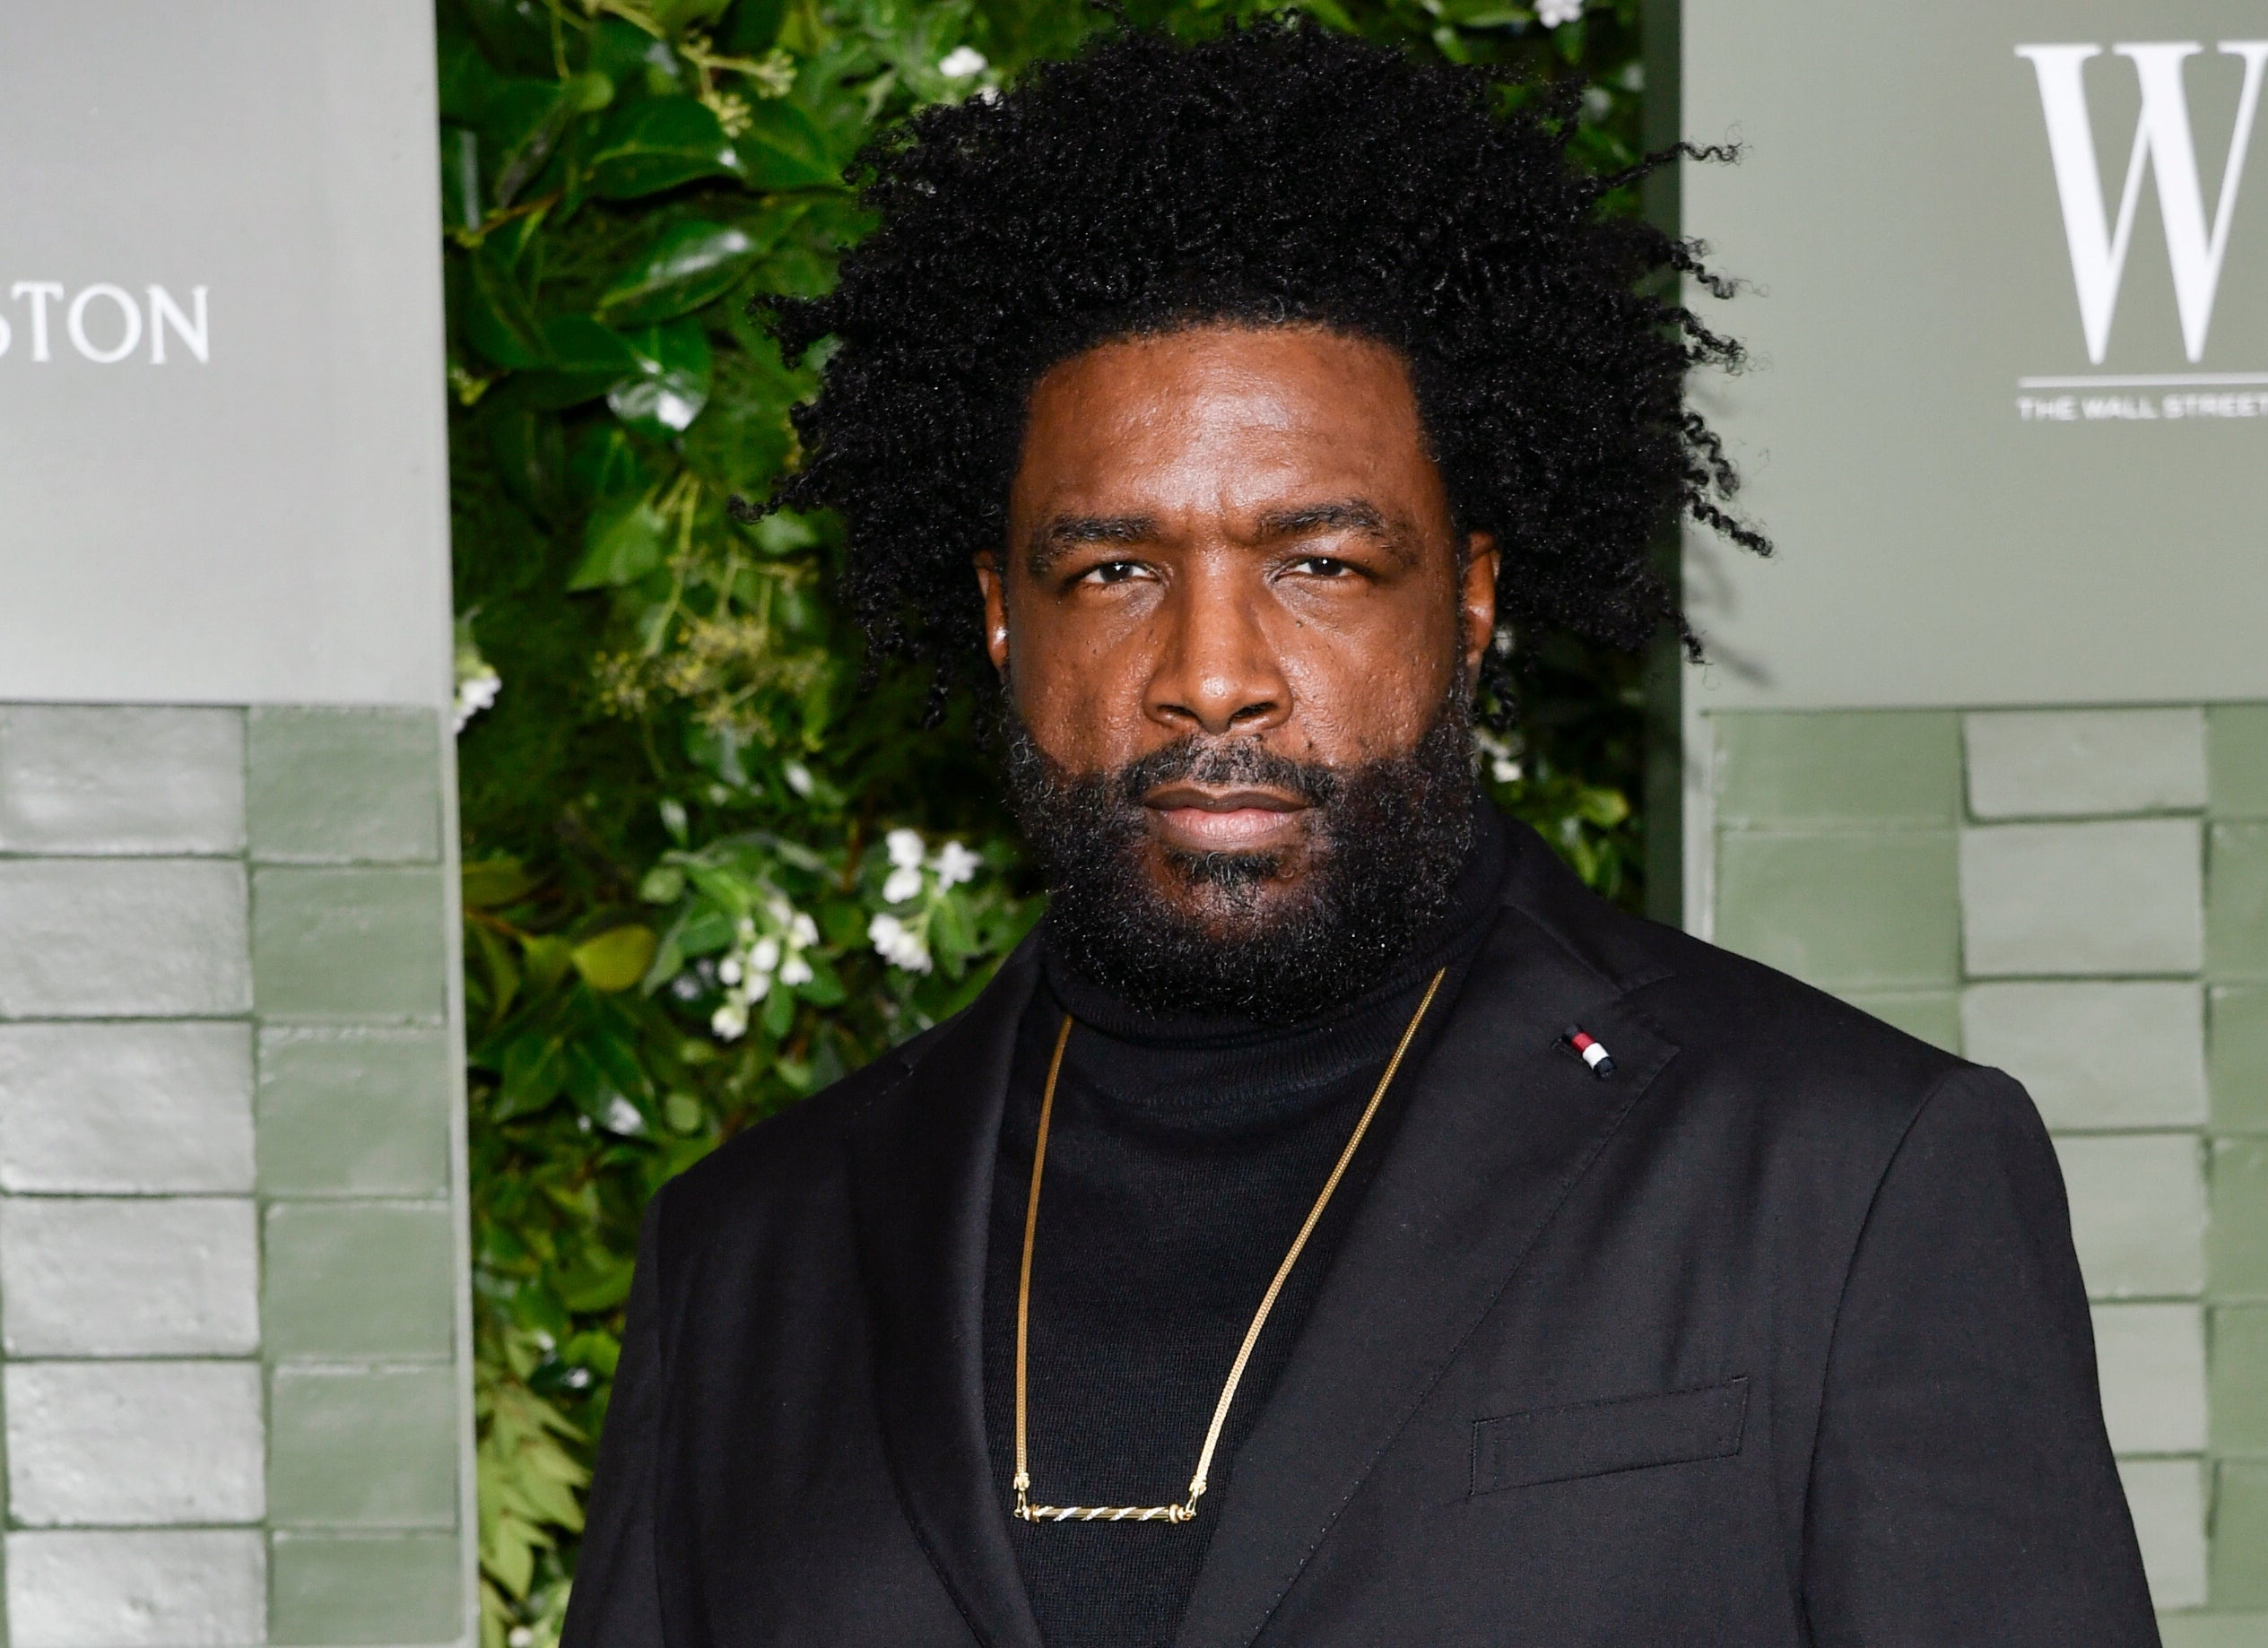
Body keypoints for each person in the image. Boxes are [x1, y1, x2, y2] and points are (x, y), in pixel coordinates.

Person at [564, 20, 2158, 1647]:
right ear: (999, 616)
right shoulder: (751, 1252)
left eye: (1318, 563)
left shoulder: (1843, 1171)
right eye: (1112, 570)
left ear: (1467, 596)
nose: (1210, 674)